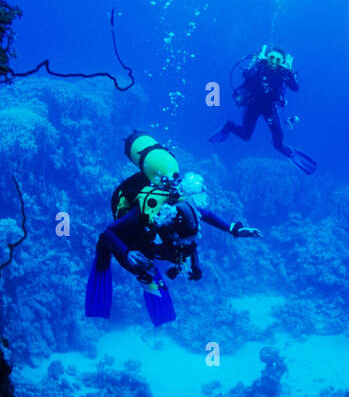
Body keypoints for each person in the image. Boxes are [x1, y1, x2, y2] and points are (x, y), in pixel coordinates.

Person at [86, 132, 261, 326]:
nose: (188, 247)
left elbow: (206, 217)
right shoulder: (146, 214)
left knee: (161, 253)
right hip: (132, 224)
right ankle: (135, 270)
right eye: (184, 242)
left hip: (159, 217)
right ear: (170, 230)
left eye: (191, 241)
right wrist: (126, 253)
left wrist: (234, 229)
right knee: (141, 258)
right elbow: (108, 234)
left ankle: (148, 269)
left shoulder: (186, 205)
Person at [208, 44, 316, 173]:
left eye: (278, 60)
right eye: (271, 57)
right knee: (245, 135)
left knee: (278, 142)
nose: (274, 61)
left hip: (269, 108)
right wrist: (258, 61)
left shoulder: (283, 72)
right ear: (267, 57)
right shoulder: (260, 66)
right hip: (252, 105)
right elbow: (247, 75)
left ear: (282, 62)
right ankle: (228, 126)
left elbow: (295, 88)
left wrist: (289, 71)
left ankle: (289, 153)